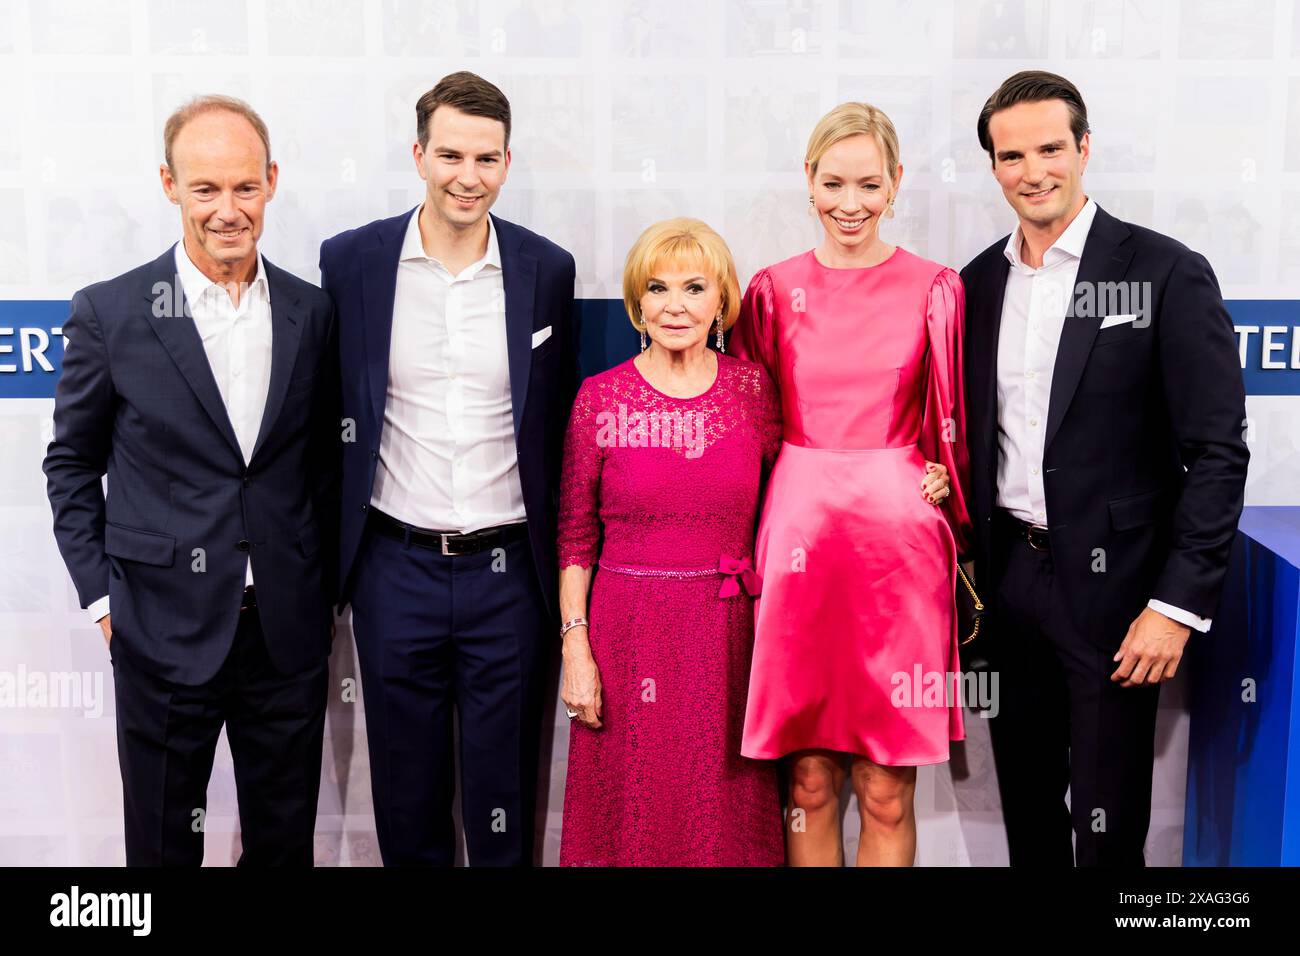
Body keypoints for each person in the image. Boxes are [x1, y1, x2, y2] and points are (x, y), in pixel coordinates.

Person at [960, 71, 1249, 865]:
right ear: (994, 168)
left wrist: (1176, 606)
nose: (1034, 171)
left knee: (1108, 822)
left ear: (1084, 149)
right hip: (1008, 585)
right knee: (1027, 809)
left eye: (1051, 148)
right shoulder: (978, 283)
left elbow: (1218, 451)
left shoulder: (1162, 271)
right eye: (1012, 155)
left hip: (1120, 595)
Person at [43, 95, 339, 866]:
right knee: (164, 849)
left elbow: (326, 463)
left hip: (285, 635)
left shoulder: (312, 313)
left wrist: (323, 588)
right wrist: (107, 602)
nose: (227, 210)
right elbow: (71, 465)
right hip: (160, 630)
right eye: (205, 189)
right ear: (169, 185)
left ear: (271, 182)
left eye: (244, 187)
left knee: (282, 848)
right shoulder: (112, 313)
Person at [319, 71, 577, 866]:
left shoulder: (548, 269)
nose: (470, 177)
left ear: (507, 161)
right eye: (453, 155)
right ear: (419, 154)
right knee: (407, 798)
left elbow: (558, 428)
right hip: (394, 569)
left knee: (506, 798)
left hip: (511, 575)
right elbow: (327, 418)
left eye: (488, 159)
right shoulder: (352, 261)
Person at [732, 102, 967, 867]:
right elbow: (750, 431)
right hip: (797, 540)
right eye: (833, 182)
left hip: (898, 548)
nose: (850, 203)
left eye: (869, 183)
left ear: (896, 183)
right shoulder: (769, 291)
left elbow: (952, 421)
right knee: (805, 780)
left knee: (888, 786)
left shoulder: (937, 289)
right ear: (808, 181)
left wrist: (945, 479)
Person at [557, 218, 784, 866]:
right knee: (631, 815)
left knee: (721, 820)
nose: (675, 305)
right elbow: (575, 535)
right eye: (657, 288)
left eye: (694, 287)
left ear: (722, 302)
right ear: (637, 301)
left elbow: (794, 502)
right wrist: (576, 647)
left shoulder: (753, 393)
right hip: (626, 639)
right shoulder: (599, 399)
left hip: (728, 638)